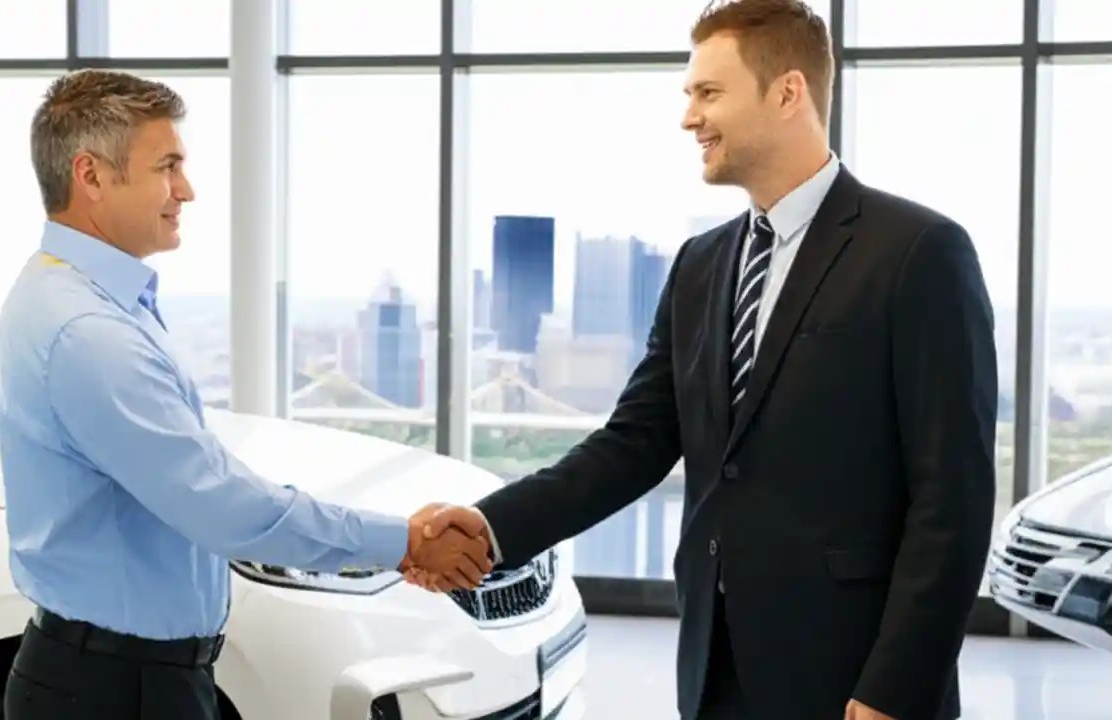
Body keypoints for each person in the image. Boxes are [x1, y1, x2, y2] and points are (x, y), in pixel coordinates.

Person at [417, 1, 998, 719]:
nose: (688, 117)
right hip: (713, 665)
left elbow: (954, 499)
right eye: (689, 95)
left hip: (854, 674)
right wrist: (491, 527)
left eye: (707, 93)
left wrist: (895, 688)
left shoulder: (917, 252)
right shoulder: (700, 264)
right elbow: (632, 445)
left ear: (787, 93)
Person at [0, 69, 492, 720]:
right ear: (90, 176)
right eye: (166, 167)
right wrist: (404, 541)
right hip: (115, 690)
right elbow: (222, 507)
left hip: (118, 677)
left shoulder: (72, 298)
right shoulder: (87, 331)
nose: (186, 190)